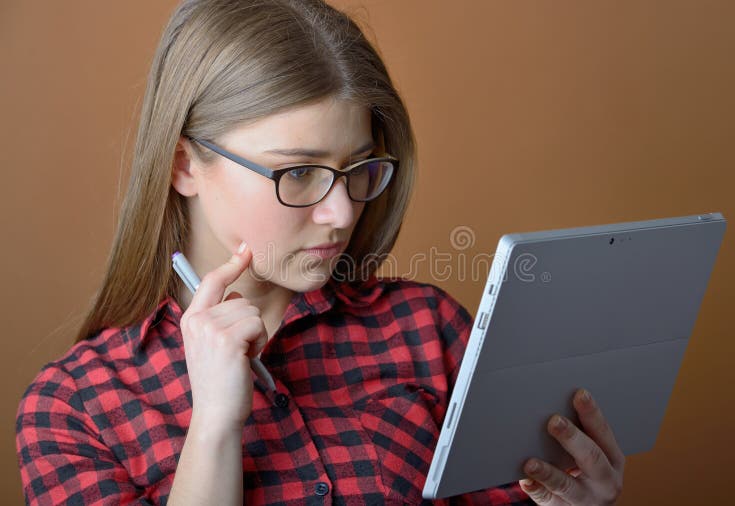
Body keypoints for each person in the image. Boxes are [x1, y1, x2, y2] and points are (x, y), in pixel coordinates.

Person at [15, 0, 625, 504]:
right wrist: (214, 431)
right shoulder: (74, 409)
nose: (340, 214)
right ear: (184, 165)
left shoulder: (427, 331)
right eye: (299, 172)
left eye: (357, 168)